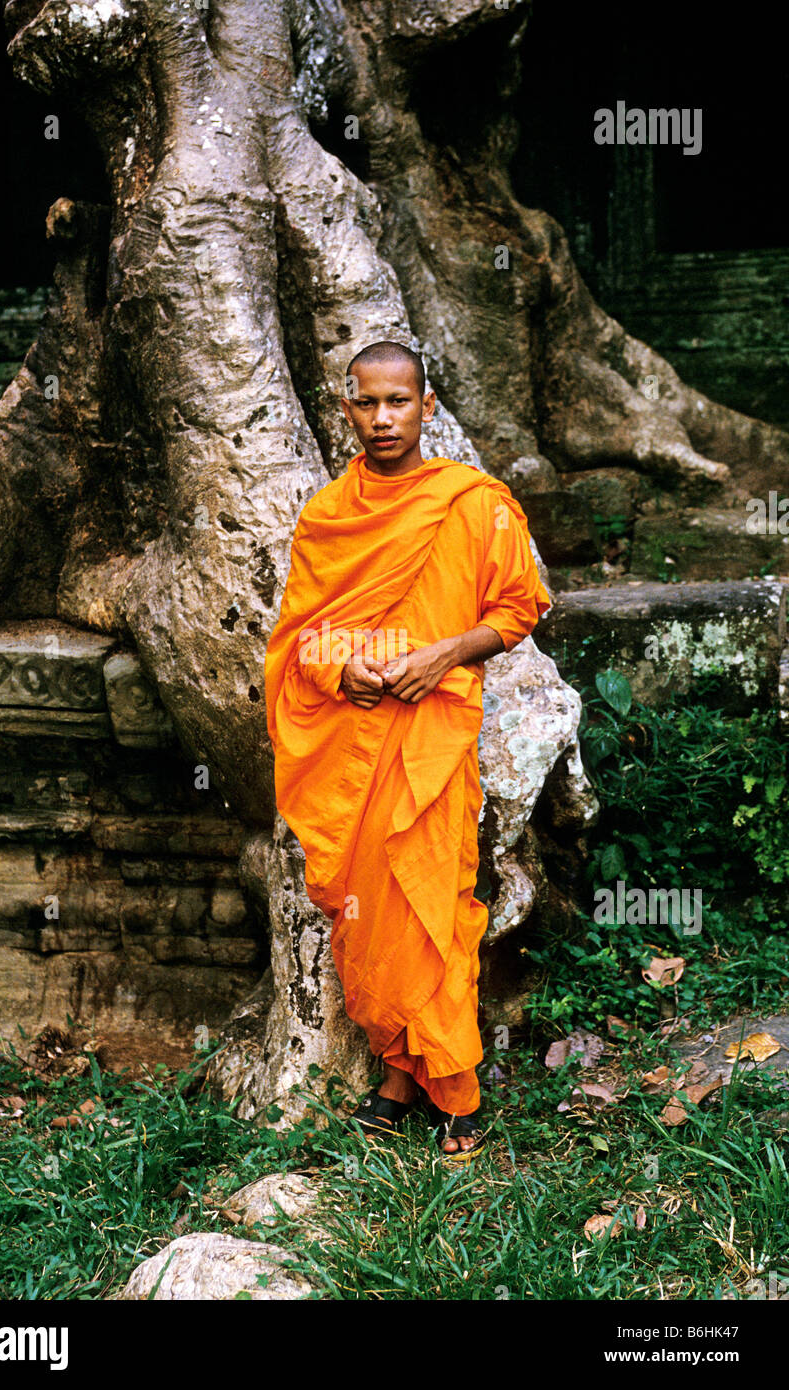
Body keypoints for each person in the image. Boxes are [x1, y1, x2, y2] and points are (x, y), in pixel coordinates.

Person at [264, 341, 551, 1160]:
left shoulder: (473, 502)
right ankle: (399, 1075)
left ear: (428, 407)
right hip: (354, 746)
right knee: (369, 919)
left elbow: (520, 608)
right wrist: (339, 666)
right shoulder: (327, 516)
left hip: (432, 739)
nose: (383, 418)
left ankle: (455, 1084)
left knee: (430, 905)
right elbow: (297, 642)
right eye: (367, 403)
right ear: (345, 409)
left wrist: (446, 653)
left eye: (399, 402)